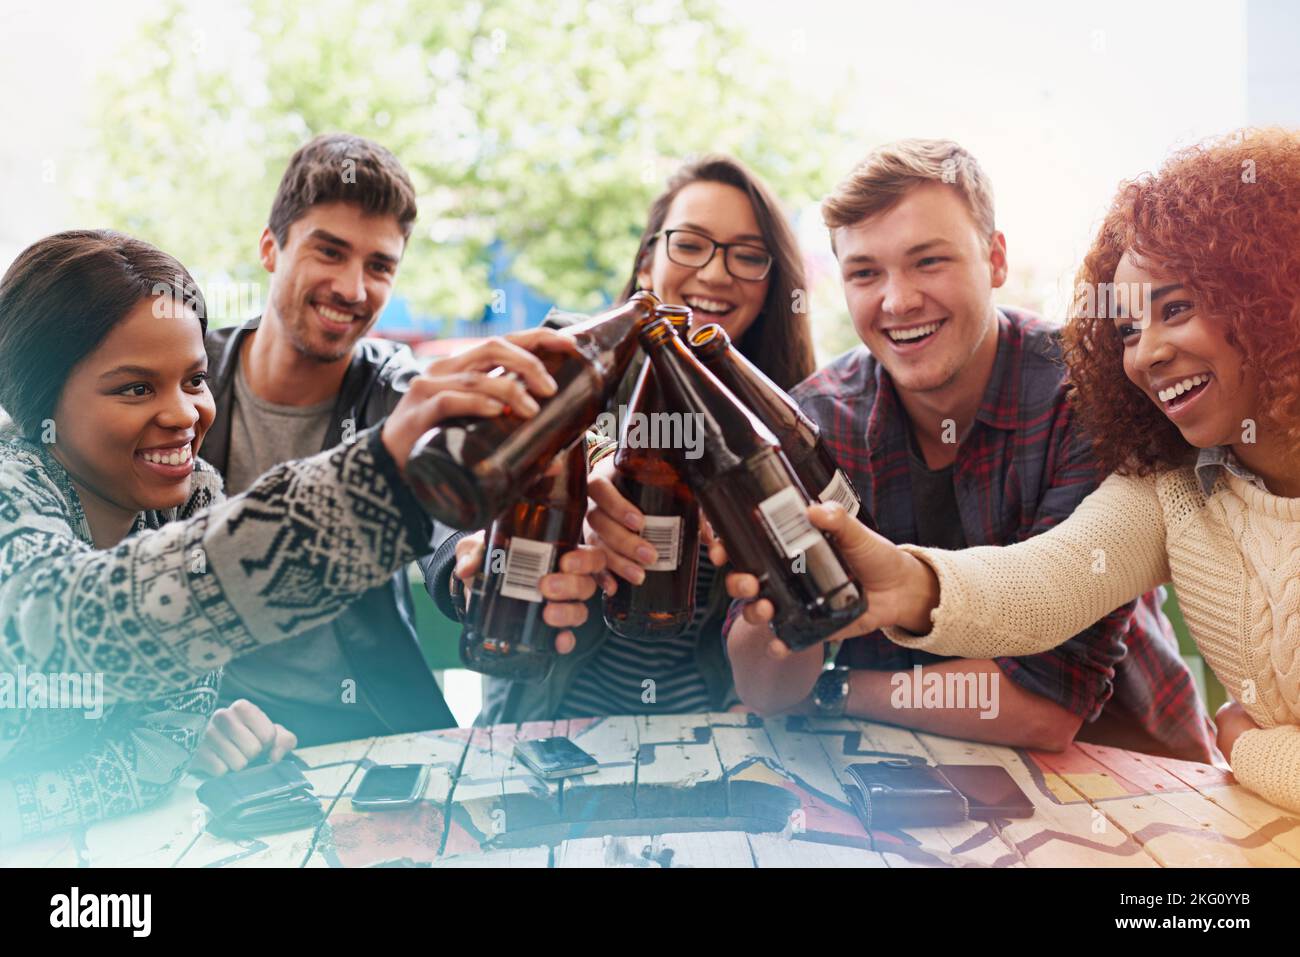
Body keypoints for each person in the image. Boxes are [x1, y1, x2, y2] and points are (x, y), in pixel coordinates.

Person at [730, 127, 1300, 809]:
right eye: (1126, 329)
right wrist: (908, 583)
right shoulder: (1175, 486)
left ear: (1271, 295)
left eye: (1175, 308)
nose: (1147, 353)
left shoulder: (1076, 398)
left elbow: (1046, 703)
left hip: (1148, 785)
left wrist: (1249, 743)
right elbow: (1043, 582)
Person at [0, 228, 568, 843]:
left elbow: (159, 748)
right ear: (36, 399)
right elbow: (63, 616)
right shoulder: (12, 490)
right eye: (136, 388)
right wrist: (375, 479)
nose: (184, 414)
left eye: (193, 381)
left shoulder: (193, 500)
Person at [192, 133, 608, 770]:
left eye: (380, 266)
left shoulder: (399, 394)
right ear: (270, 248)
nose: (353, 288)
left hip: (375, 728)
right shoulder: (194, 383)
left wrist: (473, 564)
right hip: (225, 727)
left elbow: (451, 523)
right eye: (329, 252)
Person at [428, 155, 817, 722]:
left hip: (706, 739)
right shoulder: (567, 356)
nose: (715, 272)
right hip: (549, 731)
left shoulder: (773, 416)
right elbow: (450, 491)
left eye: (748, 255)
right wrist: (462, 559)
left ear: (770, 285)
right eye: (690, 244)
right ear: (645, 265)